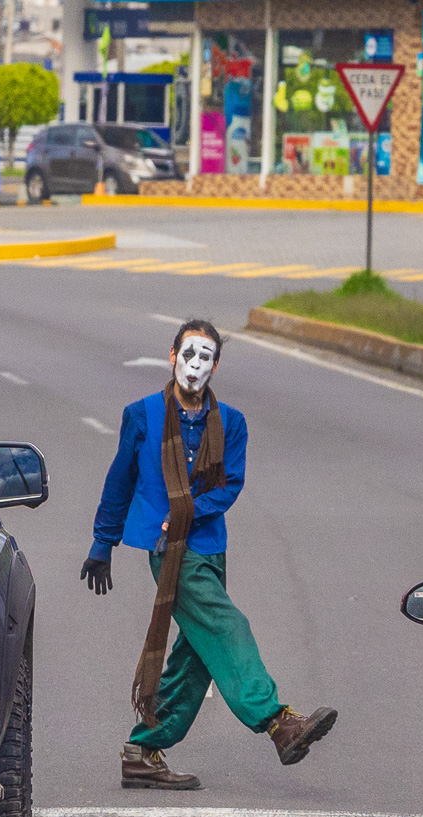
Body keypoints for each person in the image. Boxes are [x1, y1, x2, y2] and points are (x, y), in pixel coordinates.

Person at [82, 320, 338, 790]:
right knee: (227, 626)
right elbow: (120, 481)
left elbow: (229, 486)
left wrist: (190, 509)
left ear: (216, 365)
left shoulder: (232, 423)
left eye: (205, 357)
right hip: (169, 550)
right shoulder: (142, 415)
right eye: (188, 354)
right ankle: (279, 723)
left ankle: (142, 749)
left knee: (198, 653)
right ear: (172, 356)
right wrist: (104, 543)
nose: (195, 365)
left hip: (209, 546)